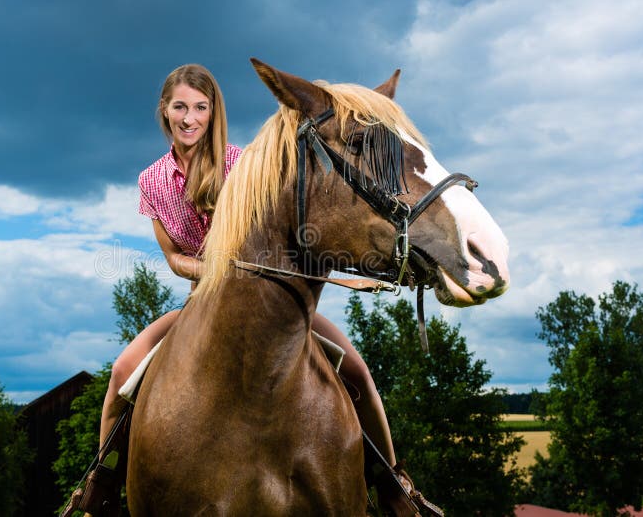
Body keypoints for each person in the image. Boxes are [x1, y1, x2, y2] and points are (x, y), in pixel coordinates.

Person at [98, 63, 433, 513]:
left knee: (357, 372)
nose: (190, 117)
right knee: (123, 371)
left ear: (213, 112)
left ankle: (393, 484)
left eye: (200, 107)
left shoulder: (243, 164)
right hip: (202, 301)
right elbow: (174, 258)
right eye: (180, 107)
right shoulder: (151, 181)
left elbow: (282, 229)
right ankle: (100, 488)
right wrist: (214, 269)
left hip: (271, 297)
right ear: (165, 111)